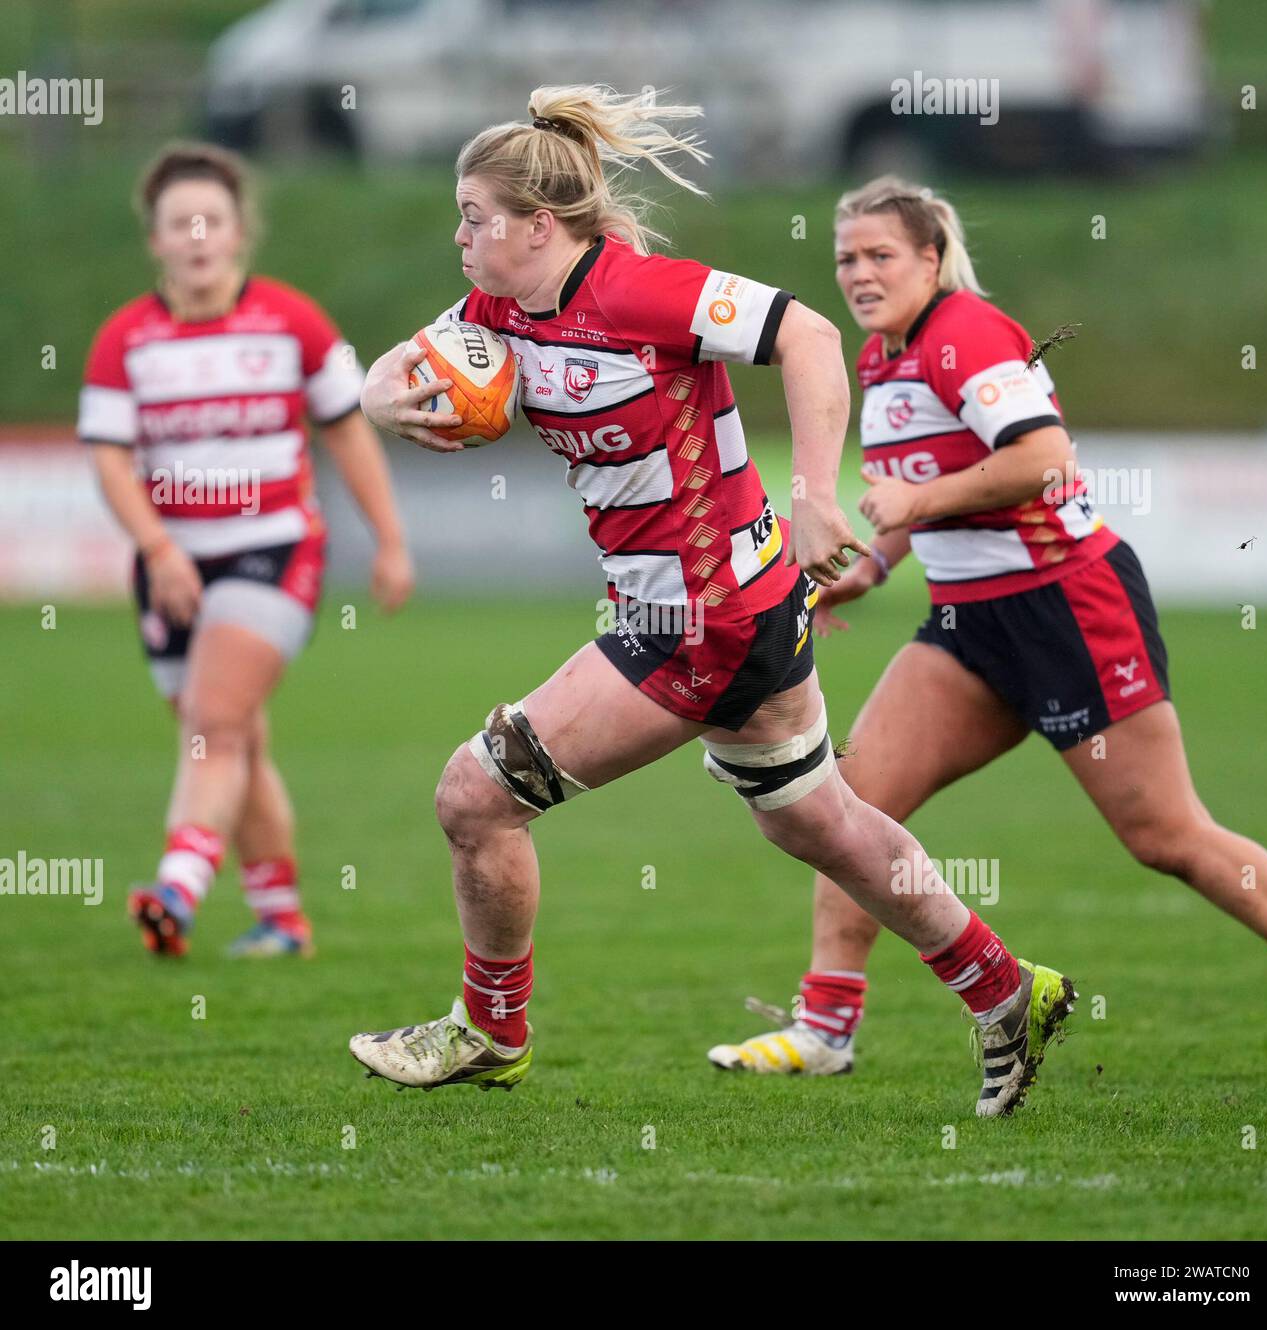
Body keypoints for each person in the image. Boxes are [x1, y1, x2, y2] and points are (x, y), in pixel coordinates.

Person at [349, 91, 1074, 1117]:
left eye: (474, 215)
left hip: (705, 617)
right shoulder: (495, 312)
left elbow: (811, 338)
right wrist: (381, 399)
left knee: (475, 794)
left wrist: (816, 492)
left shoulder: (646, 293)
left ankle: (488, 1032)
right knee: (816, 821)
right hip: (722, 610)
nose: (459, 235)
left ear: (538, 225)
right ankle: (1009, 991)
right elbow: (389, 370)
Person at [707, 176, 1267, 1077]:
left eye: (880, 256)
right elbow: (915, 497)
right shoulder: (880, 357)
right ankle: (825, 1032)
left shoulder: (967, 335)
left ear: (932, 258)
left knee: (1167, 838)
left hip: (1068, 608)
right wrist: (869, 567)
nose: (859, 274)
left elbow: (1042, 456)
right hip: (968, 626)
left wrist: (918, 500)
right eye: (845, 260)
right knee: (850, 810)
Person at [79, 142, 414, 959]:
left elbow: (350, 435)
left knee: (214, 722)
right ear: (155, 240)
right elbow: (109, 459)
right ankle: (281, 918)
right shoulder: (124, 339)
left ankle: (177, 888)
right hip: (171, 568)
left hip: (275, 550)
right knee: (233, 739)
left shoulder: (295, 321)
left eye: (212, 221)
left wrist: (391, 541)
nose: (196, 238)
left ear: (239, 233)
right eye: (178, 224)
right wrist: (159, 550)